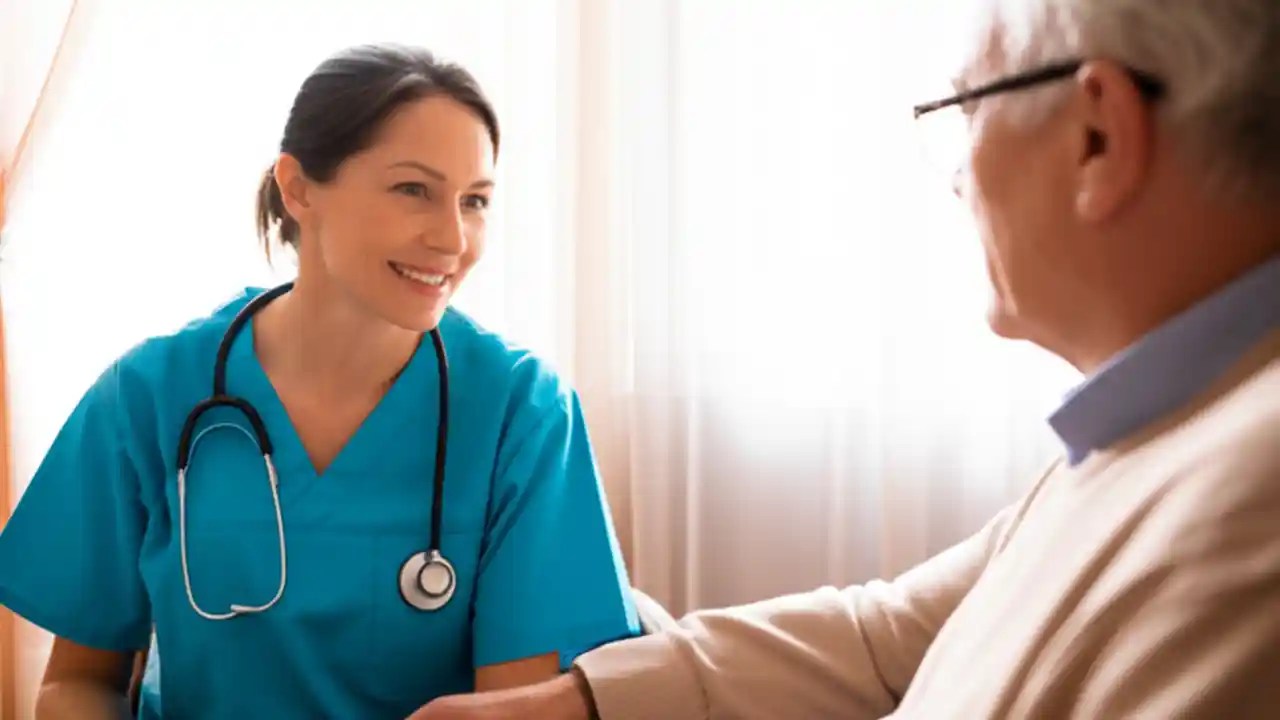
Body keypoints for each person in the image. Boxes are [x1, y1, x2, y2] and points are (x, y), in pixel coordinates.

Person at [412, 1, 1280, 718]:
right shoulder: (1145, 431)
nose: (957, 178)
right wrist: (576, 704)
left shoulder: (1249, 500)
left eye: (965, 110)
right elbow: (888, 638)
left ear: (1098, 136)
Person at [0, 43, 640, 719]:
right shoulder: (149, 395)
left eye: (475, 201)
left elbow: (515, 709)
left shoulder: (524, 413)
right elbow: (79, 682)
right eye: (413, 190)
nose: (453, 239)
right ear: (299, 188)